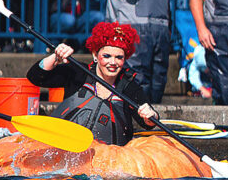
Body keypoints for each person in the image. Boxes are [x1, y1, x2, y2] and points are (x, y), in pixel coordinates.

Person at [27, 22, 157, 145]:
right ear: (95, 55)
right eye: (106, 56)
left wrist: (151, 116)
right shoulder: (78, 72)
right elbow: (35, 77)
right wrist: (56, 57)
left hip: (110, 155)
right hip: (66, 146)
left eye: (119, 57)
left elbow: (148, 124)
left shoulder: (129, 86)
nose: (113, 62)